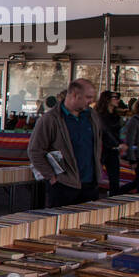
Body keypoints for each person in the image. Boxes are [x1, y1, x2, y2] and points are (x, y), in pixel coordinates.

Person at [28, 78, 103, 207]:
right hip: (63, 186)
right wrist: (52, 177)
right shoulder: (50, 119)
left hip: (90, 184)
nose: (91, 101)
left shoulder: (92, 116)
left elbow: (98, 144)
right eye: (88, 97)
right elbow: (35, 151)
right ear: (74, 95)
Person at [92, 91, 128, 195]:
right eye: (115, 98)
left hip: (113, 150)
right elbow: (105, 131)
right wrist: (117, 144)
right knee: (95, 177)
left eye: (118, 98)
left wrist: (120, 143)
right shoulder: (99, 115)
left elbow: (117, 132)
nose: (118, 100)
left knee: (114, 179)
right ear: (107, 99)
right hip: (102, 148)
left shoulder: (115, 116)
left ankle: (113, 196)